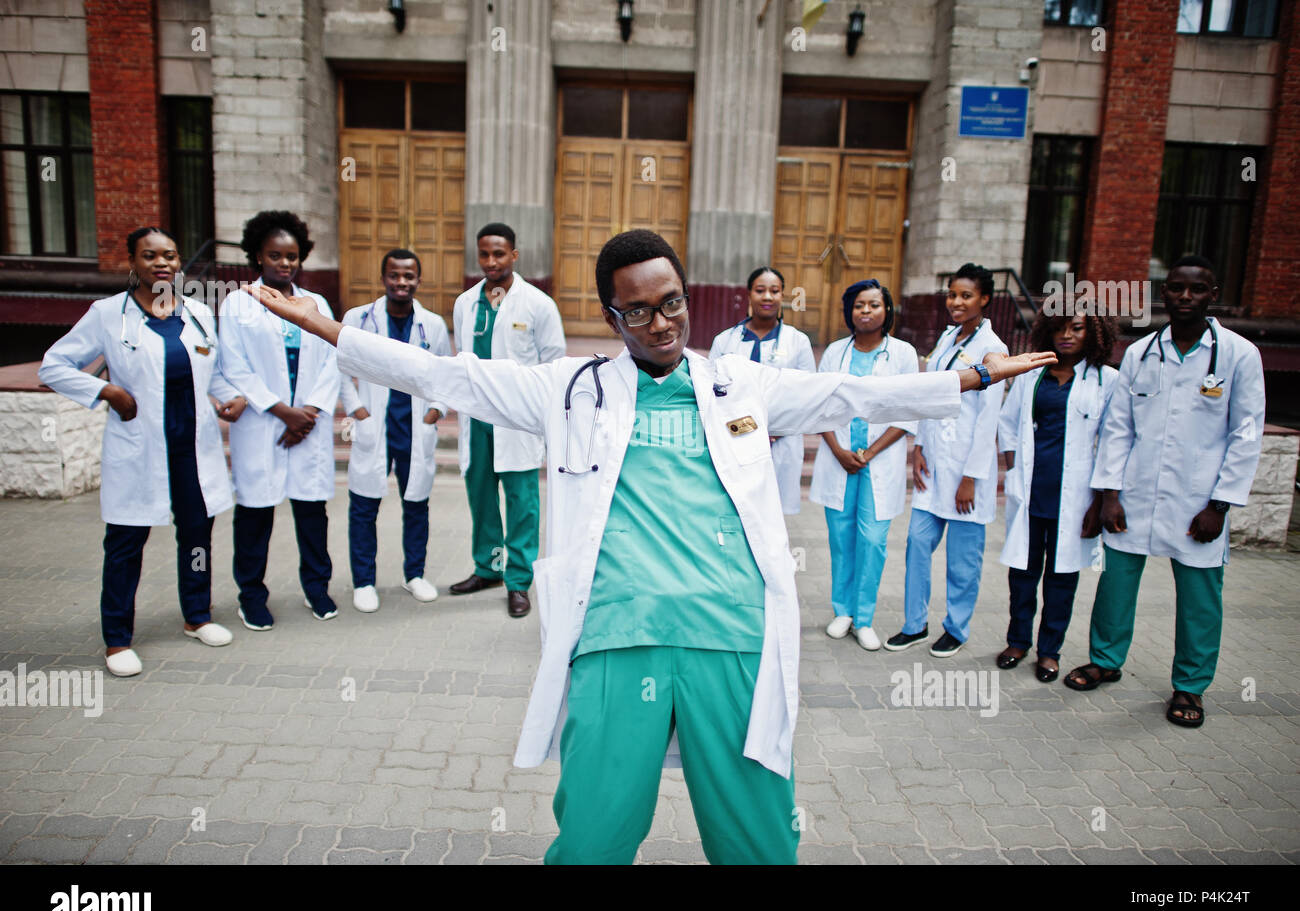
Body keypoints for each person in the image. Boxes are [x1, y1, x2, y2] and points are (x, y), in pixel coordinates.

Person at [249, 228, 1054, 865]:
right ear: (612, 317)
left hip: (729, 634)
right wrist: (325, 330)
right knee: (594, 838)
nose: (663, 322)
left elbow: (854, 392)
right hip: (616, 633)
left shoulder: (740, 382)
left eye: (672, 302)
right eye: (640, 311)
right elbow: (445, 376)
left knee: (759, 841)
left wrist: (975, 380)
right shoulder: (571, 387)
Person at [1066, 255, 1265, 729]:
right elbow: (1118, 428)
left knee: (1199, 596)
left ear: (1212, 295)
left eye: (1196, 290)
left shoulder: (1238, 354)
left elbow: (1247, 434)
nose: (1184, 298)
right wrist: (1108, 492)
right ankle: (1105, 659)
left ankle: (1190, 687)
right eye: (1176, 289)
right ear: (1165, 293)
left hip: (1199, 500)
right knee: (1116, 584)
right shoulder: (1141, 353)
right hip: (1134, 495)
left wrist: (1220, 505)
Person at [38, 227, 245, 676]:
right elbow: (53, 365)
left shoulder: (197, 313)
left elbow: (215, 373)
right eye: (149, 256)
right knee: (126, 543)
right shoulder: (108, 314)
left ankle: (197, 615)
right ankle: (117, 639)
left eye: (169, 255)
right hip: (141, 450)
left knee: (196, 536)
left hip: (192, 449)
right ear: (132, 263)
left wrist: (234, 397)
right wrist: (107, 390)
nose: (162, 264)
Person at [218, 210, 340, 630]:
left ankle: (317, 589)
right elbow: (234, 365)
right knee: (255, 515)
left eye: (291, 256)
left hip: (308, 424)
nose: (284, 264)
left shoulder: (316, 303)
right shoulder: (239, 302)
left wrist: (309, 412)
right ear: (257, 256)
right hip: (263, 423)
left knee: (311, 514)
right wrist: (282, 410)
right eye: (275, 255)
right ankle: (251, 595)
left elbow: (332, 361)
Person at [887, 263, 1008, 658]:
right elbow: (929, 394)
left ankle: (956, 627)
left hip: (965, 473)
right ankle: (914, 624)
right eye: (952, 295)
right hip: (935, 463)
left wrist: (971, 477)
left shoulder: (995, 350)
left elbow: (988, 417)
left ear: (984, 299)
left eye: (966, 296)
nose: (956, 302)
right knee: (917, 544)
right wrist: (920, 445)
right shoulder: (946, 338)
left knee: (962, 561)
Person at [448, 223, 566, 618]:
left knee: (522, 505)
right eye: (484, 254)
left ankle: (518, 582)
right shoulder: (465, 302)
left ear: (514, 255)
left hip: (517, 420)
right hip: (478, 417)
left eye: (499, 253)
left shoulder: (538, 304)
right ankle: (488, 568)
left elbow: (554, 366)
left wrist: (548, 422)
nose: (491, 261)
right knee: (481, 499)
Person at [996, 304, 1118, 681]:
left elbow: (1113, 441)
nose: (1067, 335)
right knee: (1023, 575)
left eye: (1077, 329)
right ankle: (1018, 641)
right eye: (1060, 329)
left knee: (1062, 579)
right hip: (1031, 493)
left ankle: (1050, 651)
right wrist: (1015, 470)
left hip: (1076, 498)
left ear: (1092, 334)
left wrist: (1100, 501)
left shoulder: (1106, 380)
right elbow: (1007, 426)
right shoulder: (1031, 376)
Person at [808, 279, 919, 651]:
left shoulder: (902, 353)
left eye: (874, 304)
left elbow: (908, 411)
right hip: (839, 460)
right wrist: (839, 450)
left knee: (872, 540)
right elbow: (818, 406)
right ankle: (843, 611)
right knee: (841, 539)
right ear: (849, 311)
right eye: (859, 305)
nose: (866, 311)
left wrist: (869, 453)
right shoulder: (835, 353)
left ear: (887, 309)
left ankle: (865, 617)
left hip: (879, 462)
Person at [340, 250, 451, 612]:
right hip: (374, 425)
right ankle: (363, 581)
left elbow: (445, 374)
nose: (401, 283)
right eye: (394, 276)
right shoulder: (358, 319)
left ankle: (414, 574)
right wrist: (356, 409)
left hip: (414, 428)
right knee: (364, 505)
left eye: (408, 276)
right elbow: (338, 367)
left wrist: (436, 410)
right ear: (383, 277)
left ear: (418, 280)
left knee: (416, 504)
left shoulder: (431, 325)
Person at [708, 267, 815, 514]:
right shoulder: (726, 340)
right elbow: (711, 390)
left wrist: (775, 425)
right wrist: (747, 426)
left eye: (774, 291)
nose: (767, 297)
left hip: (782, 437)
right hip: (736, 434)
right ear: (749, 295)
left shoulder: (797, 341)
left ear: (782, 296)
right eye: (760, 290)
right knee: (738, 509)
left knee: (775, 514)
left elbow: (807, 392)